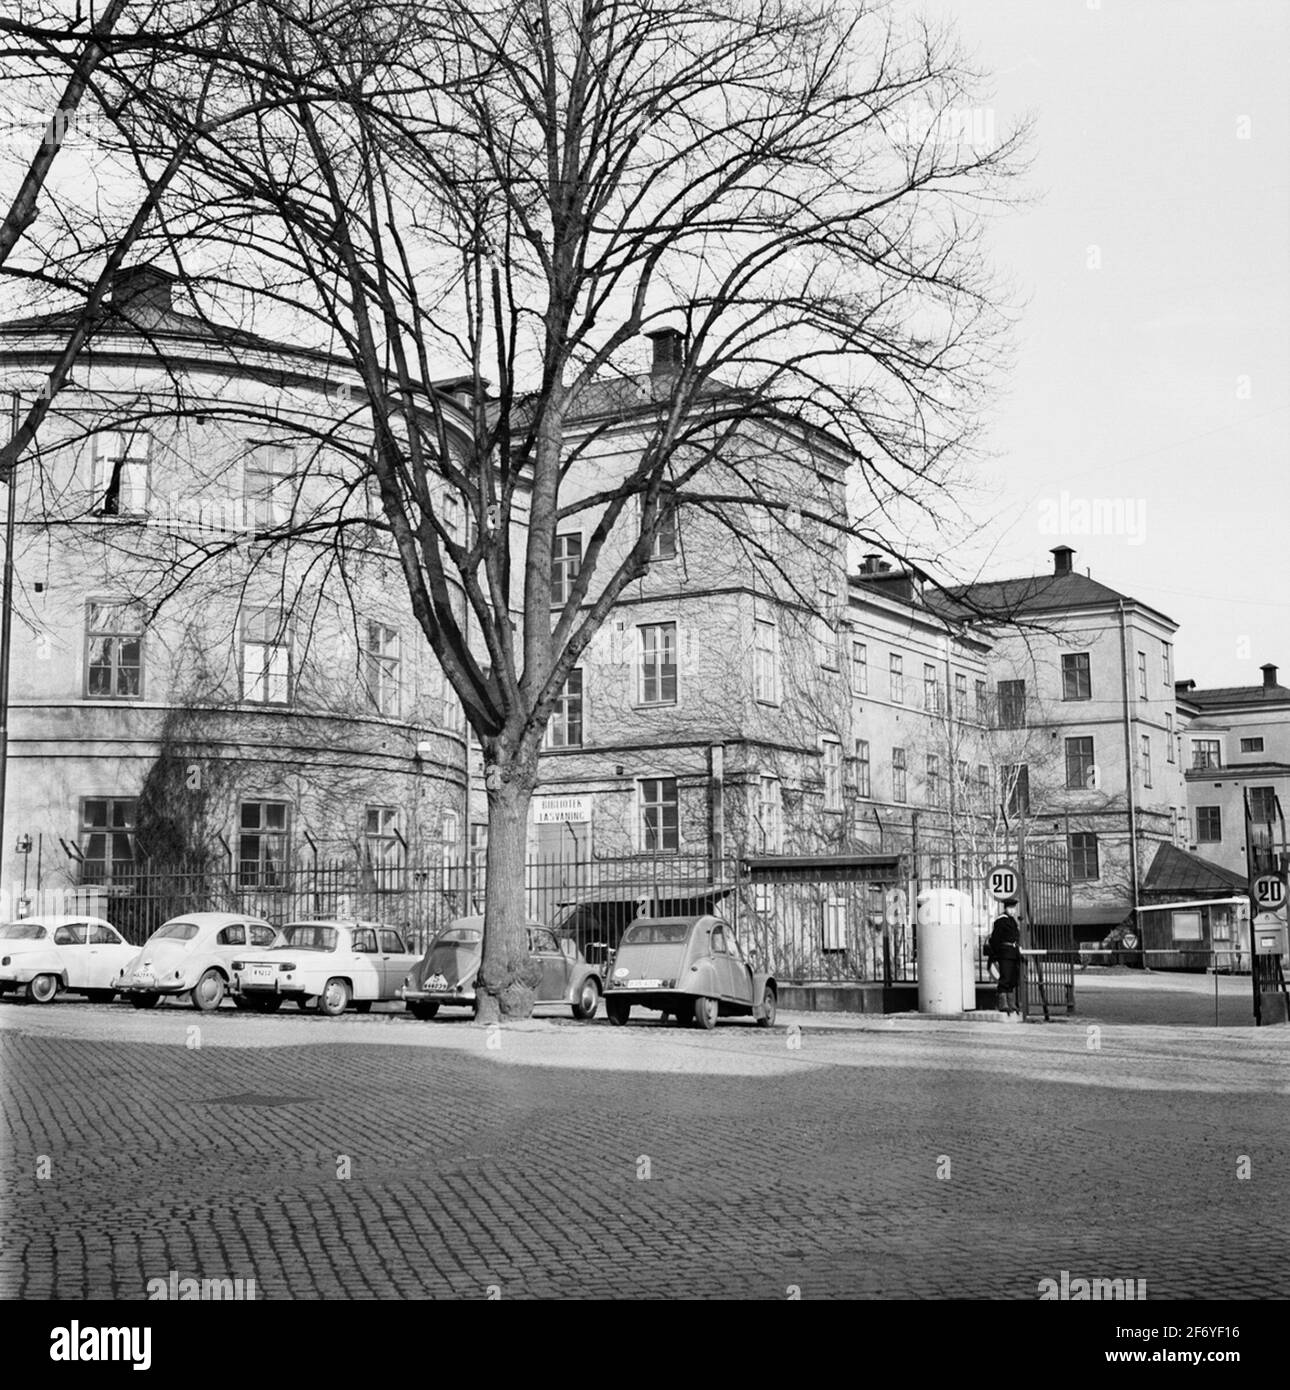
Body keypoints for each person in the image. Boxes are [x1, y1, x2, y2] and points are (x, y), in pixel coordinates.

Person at [986, 896, 1023, 1015]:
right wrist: (997, 954)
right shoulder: (1001, 920)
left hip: (1013, 952)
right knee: (1005, 978)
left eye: (1014, 909)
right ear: (1005, 908)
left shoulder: (1012, 921)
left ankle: (1011, 1003)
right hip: (1005, 953)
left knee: (1012, 979)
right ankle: (1003, 1003)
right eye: (1010, 908)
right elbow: (995, 939)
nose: (1013, 911)